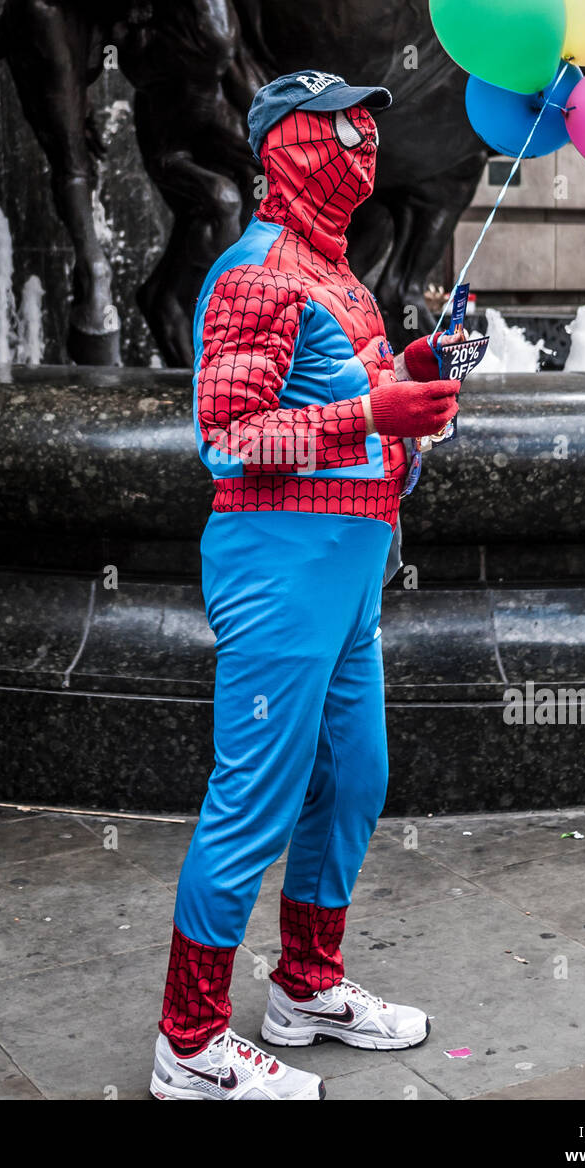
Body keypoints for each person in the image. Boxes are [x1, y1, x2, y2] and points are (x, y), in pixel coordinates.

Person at [150, 70, 460, 1101]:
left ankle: (305, 988)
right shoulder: (254, 274)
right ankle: (189, 1041)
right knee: (255, 798)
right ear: (282, 143)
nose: (362, 146)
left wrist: (410, 377)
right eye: (338, 128)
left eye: (368, 129)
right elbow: (227, 440)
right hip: (279, 567)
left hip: (348, 575)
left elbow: (366, 413)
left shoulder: (338, 280)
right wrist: (375, 416)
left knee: (354, 780)